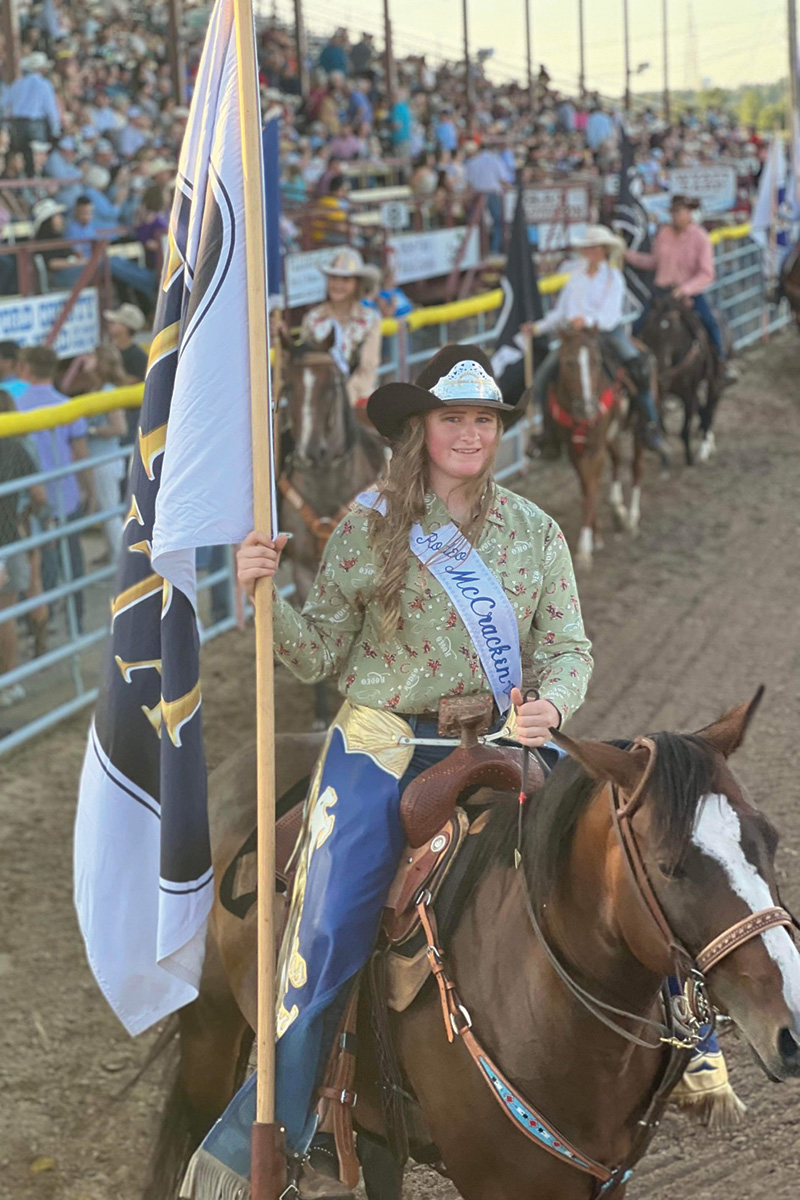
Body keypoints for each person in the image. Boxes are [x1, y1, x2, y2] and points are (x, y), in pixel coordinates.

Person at [234, 343, 593, 1195]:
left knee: (608, 867)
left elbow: (568, 646)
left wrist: (554, 705)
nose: (470, 434)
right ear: (420, 429)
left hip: (500, 745)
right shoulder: (369, 525)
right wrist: (265, 596)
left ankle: (677, 1055)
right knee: (327, 927)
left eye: (483, 419)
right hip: (382, 748)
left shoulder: (536, 533)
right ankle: (293, 1125)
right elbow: (319, 655)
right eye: (452, 418)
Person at [531, 225, 667, 455]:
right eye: (588, 248)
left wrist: (586, 320)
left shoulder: (614, 277)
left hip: (605, 332)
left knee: (640, 368)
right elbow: (560, 312)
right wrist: (537, 327)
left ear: (604, 250)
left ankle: (650, 425)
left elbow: (610, 315)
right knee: (544, 375)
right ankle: (547, 433)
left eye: (595, 248)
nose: (591, 252)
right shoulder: (575, 277)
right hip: (575, 336)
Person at [16, 345, 94, 632]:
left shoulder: (16, 406)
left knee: (37, 564)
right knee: (71, 559)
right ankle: (78, 622)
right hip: (66, 496)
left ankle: (38, 626)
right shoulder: (67, 405)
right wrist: (91, 491)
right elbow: (82, 454)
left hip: (27, 500)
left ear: (24, 368)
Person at [627, 194, 733, 380]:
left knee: (710, 323)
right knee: (637, 326)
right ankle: (632, 370)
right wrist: (627, 256)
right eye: (674, 212)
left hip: (688, 295)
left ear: (689, 213)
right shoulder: (664, 233)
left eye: (679, 212)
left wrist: (684, 289)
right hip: (661, 293)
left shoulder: (700, 237)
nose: (675, 216)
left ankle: (721, 365)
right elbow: (654, 261)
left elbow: (707, 273)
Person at [0, 389, 48, 707]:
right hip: (8, 537)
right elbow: (40, 495)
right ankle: (9, 683)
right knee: (6, 617)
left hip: (8, 539)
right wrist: (24, 514)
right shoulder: (16, 446)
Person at [65, 344, 128, 561]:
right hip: (94, 461)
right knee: (104, 512)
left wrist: (89, 430)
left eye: (91, 357)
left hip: (105, 461)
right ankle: (114, 557)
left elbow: (120, 428)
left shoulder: (108, 391)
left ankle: (122, 563)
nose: (85, 360)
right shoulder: (92, 388)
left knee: (110, 514)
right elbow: (66, 385)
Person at [299, 248, 382, 409]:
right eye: (333, 278)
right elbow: (305, 364)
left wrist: (344, 399)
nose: (338, 284)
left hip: (358, 401)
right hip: (318, 403)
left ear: (357, 284)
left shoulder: (370, 320)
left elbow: (368, 367)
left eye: (345, 280)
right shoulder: (312, 319)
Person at [2, 51, 61, 174]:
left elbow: (5, 104)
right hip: (36, 125)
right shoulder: (44, 84)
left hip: (17, 124)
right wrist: (55, 130)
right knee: (36, 157)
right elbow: (51, 111)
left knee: (20, 156)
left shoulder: (17, 84)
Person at [104, 303, 148, 446]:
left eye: (115, 322)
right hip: (113, 411)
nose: (110, 325)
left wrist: (113, 369)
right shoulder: (111, 350)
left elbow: (133, 383)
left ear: (125, 327)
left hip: (131, 414)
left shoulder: (138, 356)